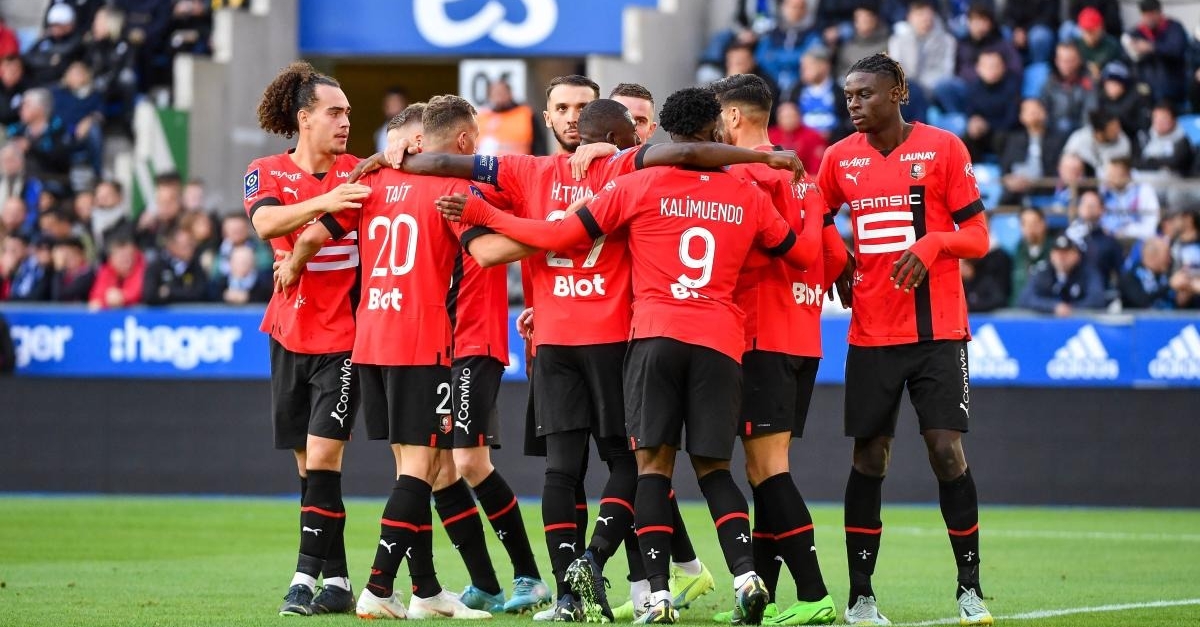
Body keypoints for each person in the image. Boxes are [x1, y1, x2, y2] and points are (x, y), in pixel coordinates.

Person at [367, 79, 793, 623]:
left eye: (580, 108)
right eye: (562, 108)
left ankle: (607, 585)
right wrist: (395, 151)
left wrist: (398, 157)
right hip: (588, 340)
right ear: (546, 118)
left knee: (600, 467)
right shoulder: (605, 168)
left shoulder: (548, 170)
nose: (571, 117)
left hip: (591, 339)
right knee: (612, 467)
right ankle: (598, 584)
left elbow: (451, 171)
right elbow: (690, 154)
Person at [815, 53, 992, 626]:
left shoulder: (943, 148)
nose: (854, 104)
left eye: (865, 93)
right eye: (848, 95)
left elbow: (979, 237)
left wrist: (934, 243)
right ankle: (861, 597)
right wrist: (839, 257)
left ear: (898, 93)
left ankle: (970, 588)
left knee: (945, 449)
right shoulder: (839, 158)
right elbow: (815, 215)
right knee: (869, 456)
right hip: (871, 333)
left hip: (938, 331)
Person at [709, 72, 840, 626]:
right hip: (803, 335)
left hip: (759, 334)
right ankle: (757, 605)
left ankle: (815, 595)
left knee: (768, 469)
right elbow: (834, 257)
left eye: (717, 117)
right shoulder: (803, 176)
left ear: (733, 117)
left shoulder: (743, 173)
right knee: (765, 470)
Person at [243, 61, 370, 617]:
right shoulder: (265, 170)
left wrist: (303, 245)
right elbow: (266, 225)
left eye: (348, 113)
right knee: (311, 469)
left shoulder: (359, 172)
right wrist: (325, 201)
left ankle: (303, 578)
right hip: (288, 330)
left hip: (345, 337)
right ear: (304, 118)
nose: (345, 122)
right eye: (334, 112)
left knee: (322, 455)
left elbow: (312, 235)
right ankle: (338, 581)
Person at [998, 99, 1067, 205]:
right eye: (1028, 110)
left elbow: (1057, 170)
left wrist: (1033, 182)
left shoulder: (1058, 140)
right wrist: (1010, 180)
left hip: (1045, 189)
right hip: (1017, 192)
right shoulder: (1014, 139)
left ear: (1045, 113)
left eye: (1037, 108)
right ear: (1021, 117)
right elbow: (1006, 168)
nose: (1033, 112)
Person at [1017, 234, 1108, 314]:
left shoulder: (1087, 272)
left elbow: (1097, 299)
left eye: (1066, 253)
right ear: (1051, 255)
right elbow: (1025, 298)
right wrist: (1053, 307)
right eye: (1058, 253)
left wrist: (1071, 309)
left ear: (1077, 255)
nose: (1061, 258)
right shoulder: (1044, 272)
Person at [1120, 0, 1188, 102]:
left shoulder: (1173, 27)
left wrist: (1152, 47)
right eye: (1145, 15)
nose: (1149, 19)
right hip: (1146, 90)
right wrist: (1134, 50)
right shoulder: (1135, 33)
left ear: (1159, 13)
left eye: (1152, 14)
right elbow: (1126, 58)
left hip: (1172, 87)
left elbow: (1176, 50)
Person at [886, 1, 956, 99]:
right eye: (920, 15)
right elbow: (897, 70)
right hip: (907, 91)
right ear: (909, 17)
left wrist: (923, 88)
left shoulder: (947, 41)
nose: (924, 19)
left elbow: (947, 72)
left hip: (936, 91)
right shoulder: (896, 41)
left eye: (928, 15)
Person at [141, 226, 206, 304]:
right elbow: (150, 295)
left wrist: (170, 291)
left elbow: (200, 292)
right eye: (185, 246)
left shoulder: (195, 265)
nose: (191, 249)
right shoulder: (157, 265)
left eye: (191, 245)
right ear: (172, 246)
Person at [476, 79, 536, 156]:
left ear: (510, 94)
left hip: (518, 162)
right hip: (489, 162)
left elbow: (539, 144)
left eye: (501, 93)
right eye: (495, 93)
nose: (499, 97)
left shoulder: (525, 114)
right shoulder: (482, 116)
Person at [1010, 207, 1052, 305]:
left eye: (1034, 223)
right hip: (1018, 310)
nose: (1029, 228)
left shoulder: (1054, 251)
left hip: (1045, 309)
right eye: (1024, 224)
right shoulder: (1017, 251)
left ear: (1043, 224)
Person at [1119, 235, 1173, 309]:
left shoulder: (1167, 275)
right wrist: (1169, 286)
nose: (1170, 260)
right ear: (1153, 256)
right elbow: (1141, 301)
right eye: (1167, 256)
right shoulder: (1130, 277)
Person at [49, 234, 93, 301]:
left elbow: (61, 296)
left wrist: (59, 269)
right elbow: (54, 296)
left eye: (68, 253)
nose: (65, 258)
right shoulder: (64, 273)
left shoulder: (88, 273)